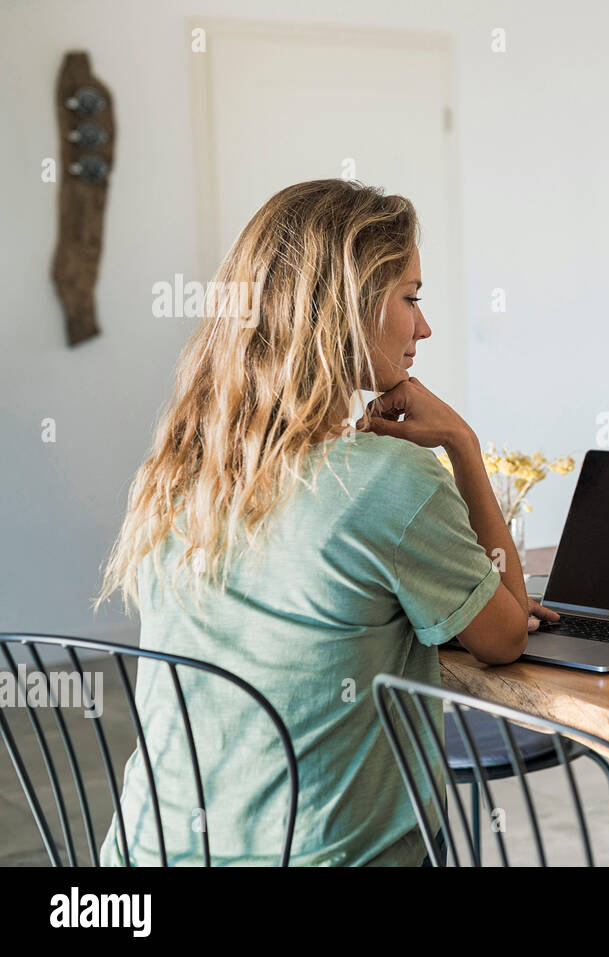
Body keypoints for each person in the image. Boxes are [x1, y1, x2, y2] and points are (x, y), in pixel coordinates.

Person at [96, 179, 557, 865]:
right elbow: (506, 635)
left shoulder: (184, 466)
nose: (423, 326)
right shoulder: (387, 480)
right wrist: (461, 440)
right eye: (411, 297)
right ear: (349, 306)